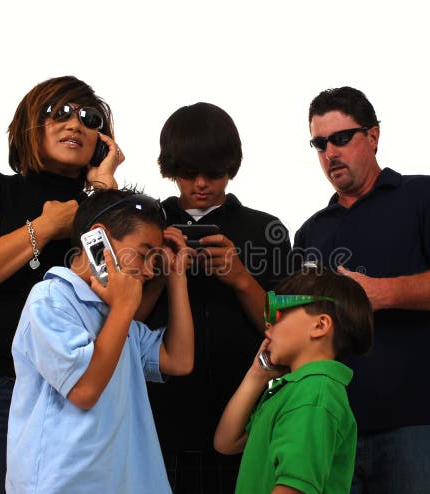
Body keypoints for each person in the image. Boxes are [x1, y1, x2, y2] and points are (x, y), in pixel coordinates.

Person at [294, 86, 430, 493]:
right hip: (331, 431)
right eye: (319, 143)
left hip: (418, 426)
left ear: (373, 136)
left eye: (341, 138)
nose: (330, 152)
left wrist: (382, 293)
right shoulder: (310, 232)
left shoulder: (425, 195)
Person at [0, 76, 124, 493]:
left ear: (104, 140)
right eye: (58, 113)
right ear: (29, 126)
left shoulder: (108, 204)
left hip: (76, 383)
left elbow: (123, 291)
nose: (74, 124)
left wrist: (105, 194)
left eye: (89, 119)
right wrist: (43, 227)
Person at [144, 102, 292, 493]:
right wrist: (159, 276)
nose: (201, 184)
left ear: (232, 166)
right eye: (188, 173)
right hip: (156, 425)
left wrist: (242, 278)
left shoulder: (265, 230)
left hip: (244, 427)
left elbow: (290, 336)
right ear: (170, 167)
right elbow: (117, 326)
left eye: (214, 172)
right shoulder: (144, 225)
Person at [6, 188, 194, 493]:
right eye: (144, 255)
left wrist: (176, 278)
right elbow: (84, 389)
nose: (148, 271)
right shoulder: (52, 299)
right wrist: (122, 308)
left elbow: (179, 360)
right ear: (98, 240)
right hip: (65, 484)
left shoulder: (118, 318)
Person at [213, 269, 374, 493]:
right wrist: (256, 375)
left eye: (277, 310)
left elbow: (293, 487)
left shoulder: (314, 395)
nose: (268, 322)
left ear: (320, 326)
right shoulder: (294, 390)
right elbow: (226, 443)